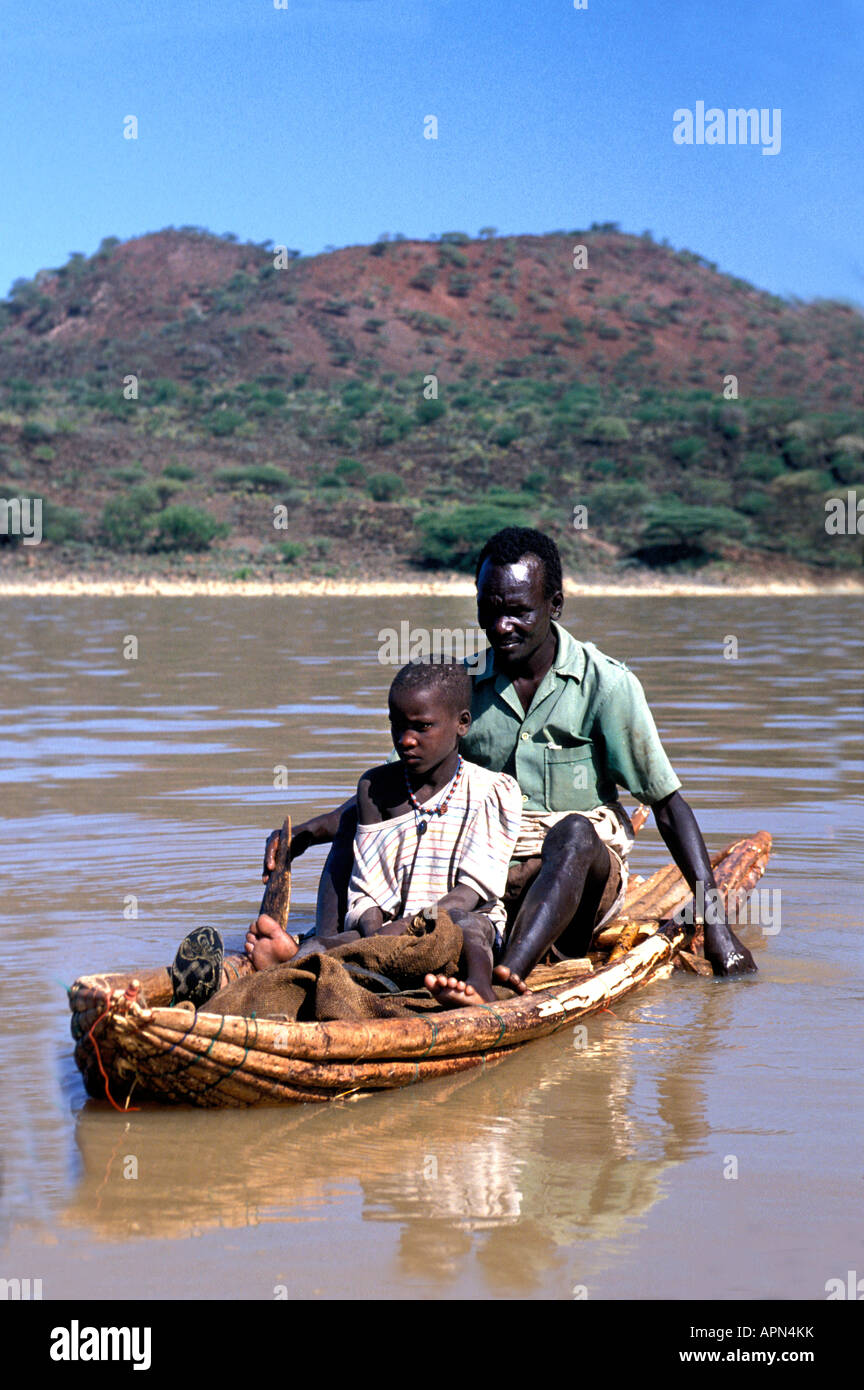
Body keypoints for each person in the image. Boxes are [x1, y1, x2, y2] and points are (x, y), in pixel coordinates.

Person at [256, 527, 756, 999]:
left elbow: (667, 805)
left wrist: (715, 924)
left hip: (572, 882)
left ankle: (506, 975)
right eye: (488, 609)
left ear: (554, 605)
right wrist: (302, 837)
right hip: (481, 876)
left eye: (518, 612)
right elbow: (394, 791)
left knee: (576, 833)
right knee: (358, 829)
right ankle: (325, 953)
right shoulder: (460, 686)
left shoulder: (607, 685)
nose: (500, 626)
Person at [175, 660, 524, 1010]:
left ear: (462, 723)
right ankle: (294, 960)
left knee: (470, 926)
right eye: (397, 726)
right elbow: (367, 888)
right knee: (335, 943)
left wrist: (409, 926)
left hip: (451, 928)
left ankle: (480, 989)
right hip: (389, 934)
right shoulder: (374, 788)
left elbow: (471, 894)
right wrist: (376, 930)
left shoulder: (491, 791)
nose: (406, 740)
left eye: (422, 727)